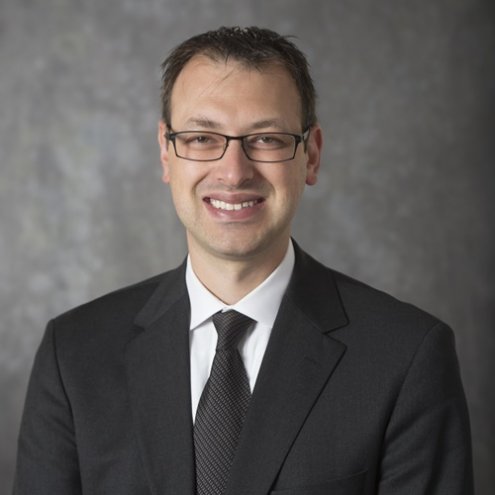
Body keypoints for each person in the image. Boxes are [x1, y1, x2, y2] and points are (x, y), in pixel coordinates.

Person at [13, 26, 473, 495]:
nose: (233, 173)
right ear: (167, 153)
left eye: (267, 139)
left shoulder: (406, 356)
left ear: (311, 155)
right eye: (201, 137)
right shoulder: (74, 355)